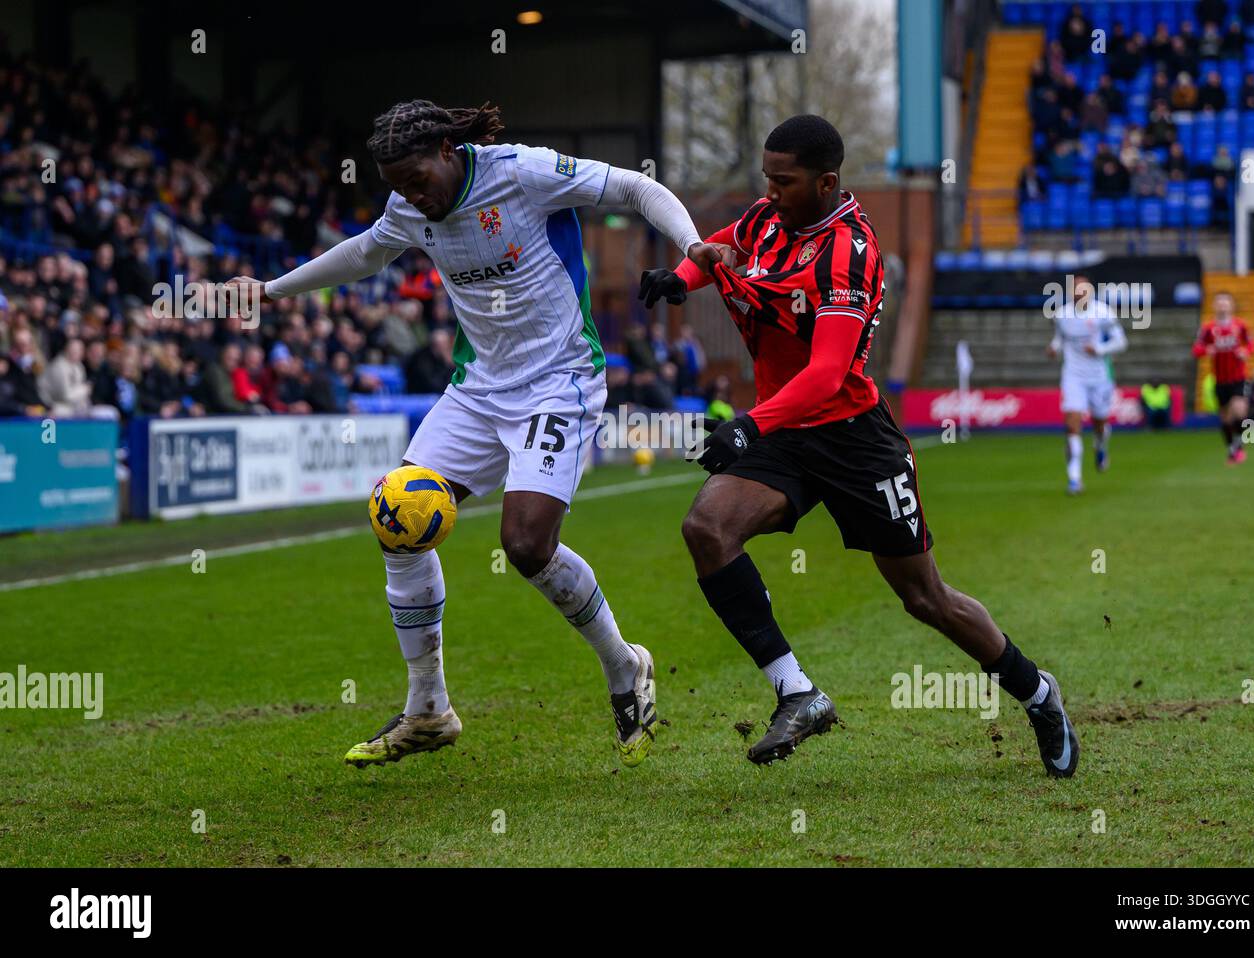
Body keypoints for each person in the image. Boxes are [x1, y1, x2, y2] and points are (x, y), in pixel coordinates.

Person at [226, 99, 716, 769]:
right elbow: (367, 253)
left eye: (418, 180)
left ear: (449, 154)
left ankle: (625, 666)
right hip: (479, 389)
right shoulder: (410, 204)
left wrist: (691, 247)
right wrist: (274, 291)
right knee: (397, 514)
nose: (412, 197)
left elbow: (636, 187)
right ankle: (428, 708)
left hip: (559, 380)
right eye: (397, 186)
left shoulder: (524, 173)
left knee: (524, 544)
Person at [638, 115, 1078, 777]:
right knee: (706, 528)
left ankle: (1038, 694)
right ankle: (798, 692)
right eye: (767, 177)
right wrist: (681, 278)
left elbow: (826, 373)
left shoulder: (850, 252)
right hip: (786, 435)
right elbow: (724, 247)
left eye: (783, 181)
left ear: (827, 182)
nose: (770, 190)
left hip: (853, 440)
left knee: (926, 598)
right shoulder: (767, 217)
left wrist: (749, 424)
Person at [1048, 273, 1128, 494]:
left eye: (1085, 289)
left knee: (1099, 423)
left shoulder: (1103, 313)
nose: (1081, 293)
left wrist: (1100, 349)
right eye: (1077, 289)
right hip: (1073, 375)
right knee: (1072, 424)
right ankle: (1074, 479)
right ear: (1071, 292)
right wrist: (1053, 349)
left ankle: (1100, 445)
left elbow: (1121, 341)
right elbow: (1060, 339)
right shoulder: (1062, 315)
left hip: (1100, 375)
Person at [1193, 291, 1254, 464]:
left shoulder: (1240, 326)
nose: (1222, 305)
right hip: (1220, 380)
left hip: (1239, 377)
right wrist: (1207, 350)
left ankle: (1243, 442)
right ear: (1214, 306)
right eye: (1219, 302)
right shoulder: (1208, 329)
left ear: (1231, 306)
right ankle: (1232, 449)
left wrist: (1246, 351)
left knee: (1240, 410)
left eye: (1225, 302)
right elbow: (1196, 349)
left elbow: (1251, 343)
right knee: (1226, 419)